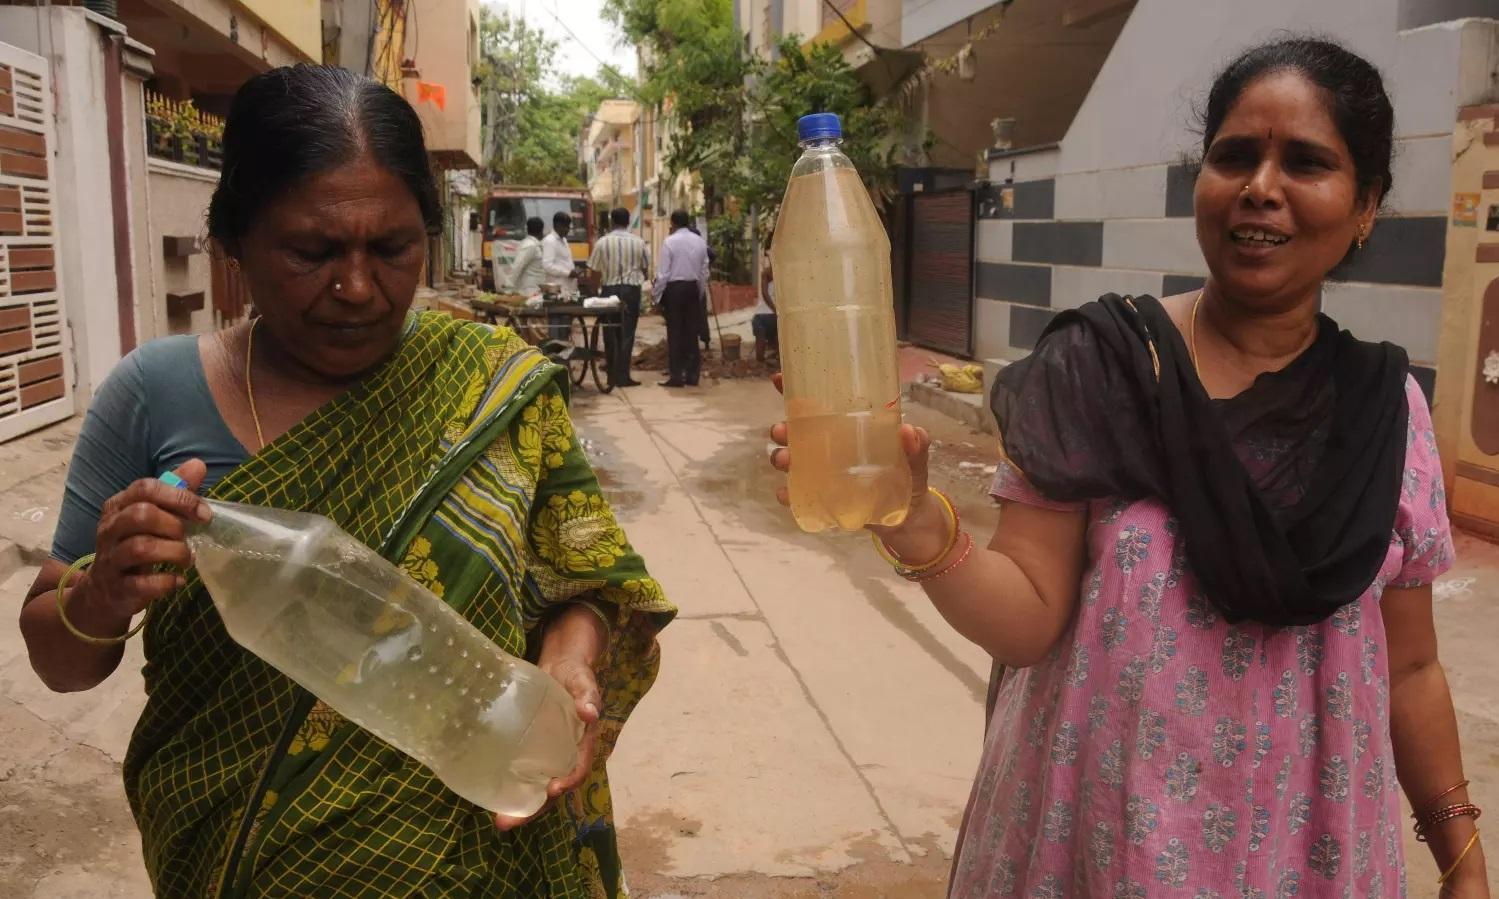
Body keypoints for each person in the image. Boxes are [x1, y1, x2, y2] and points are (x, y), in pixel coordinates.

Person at [772, 39, 1488, 897]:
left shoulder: (1384, 410)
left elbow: (1407, 667)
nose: (1260, 186)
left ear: (1364, 205)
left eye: (1305, 162)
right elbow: (1028, 617)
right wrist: (913, 519)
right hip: (1097, 842)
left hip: (1303, 858)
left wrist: (1461, 855)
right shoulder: (1105, 367)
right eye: (1233, 157)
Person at [19, 65, 675, 898]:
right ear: (235, 242)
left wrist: (569, 656)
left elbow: (586, 581)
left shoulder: (485, 381)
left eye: (393, 248)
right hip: (238, 864)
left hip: (476, 860)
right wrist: (104, 590)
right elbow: (59, 662)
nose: (359, 288)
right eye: (312, 251)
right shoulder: (154, 392)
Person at [588, 207, 650, 388]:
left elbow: (595, 271)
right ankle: (623, 375)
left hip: (609, 290)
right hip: (631, 291)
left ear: (611, 221)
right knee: (627, 333)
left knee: (609, 332)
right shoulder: (639, 242)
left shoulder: (602, 242)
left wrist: (593, 292)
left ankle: (612, 374)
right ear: (628, 220)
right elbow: (645, 271)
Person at [652, 210, 709, 388]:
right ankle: (693, 376)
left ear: (673, 223)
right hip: (692, 288)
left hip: (674, 290)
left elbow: (663, 274)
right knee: (691, 332)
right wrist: (699, 292)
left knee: (675, 333)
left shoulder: (669, 242)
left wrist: (656, 297)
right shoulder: (700, 241)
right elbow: (703, 271)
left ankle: (676, 376)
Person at [502, 215, 547, 296]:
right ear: (541, 230)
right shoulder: (530, 245)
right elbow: (517, 267)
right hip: (529, 291)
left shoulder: (534, 244)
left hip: (536, 289)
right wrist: (507, 290)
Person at [753, 247, 778, 363]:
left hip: (762, 314)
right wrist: (776, 310)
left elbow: (764, 293)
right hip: (774, 315)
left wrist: (774, 309)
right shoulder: (784, 273)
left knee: (760, 332)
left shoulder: (767, 273)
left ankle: (761, 360)